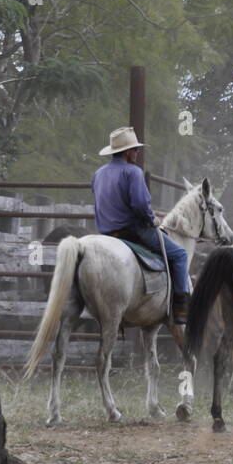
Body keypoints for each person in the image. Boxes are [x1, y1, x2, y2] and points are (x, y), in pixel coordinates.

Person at [92, 126, 190, 323]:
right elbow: (139, 204)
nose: (137, 153)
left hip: (106, 233)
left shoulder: (99, 173)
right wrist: (151, 218)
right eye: (135, 149)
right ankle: (181, 308)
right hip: (133, 231)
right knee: (180, 255)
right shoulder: (133, 172)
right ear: (127, 152)